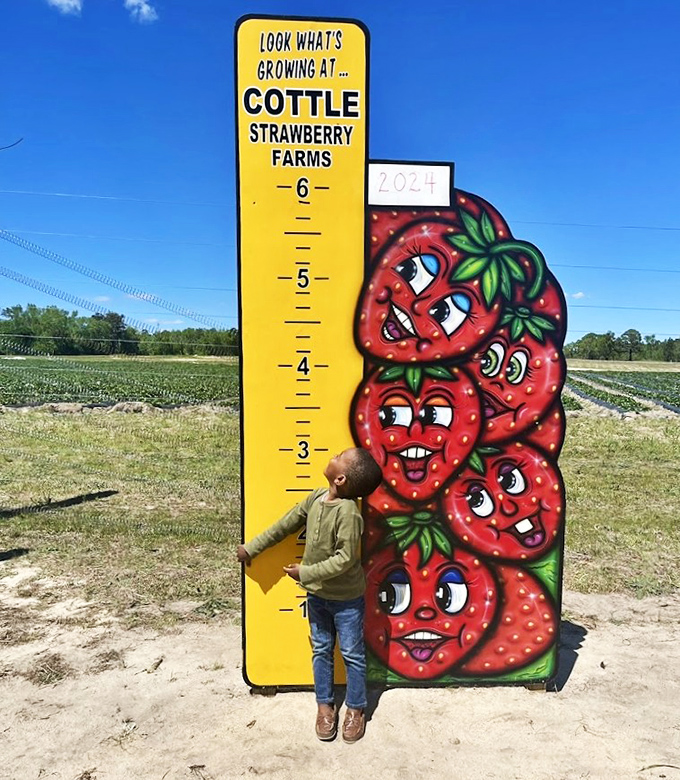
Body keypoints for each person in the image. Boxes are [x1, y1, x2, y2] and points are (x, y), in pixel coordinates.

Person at [237, 447, 382, 743]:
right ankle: (325, 706)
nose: (333, 455)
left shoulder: (349, 513)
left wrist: (306, 573)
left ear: (340, 478)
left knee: (352, 655)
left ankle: (356, 708)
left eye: (340, 456)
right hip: (317, 597)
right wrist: (252, 548)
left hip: (346, 601)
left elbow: (345, 559)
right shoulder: (316, 498)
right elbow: (286, 523)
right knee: (321, 650)